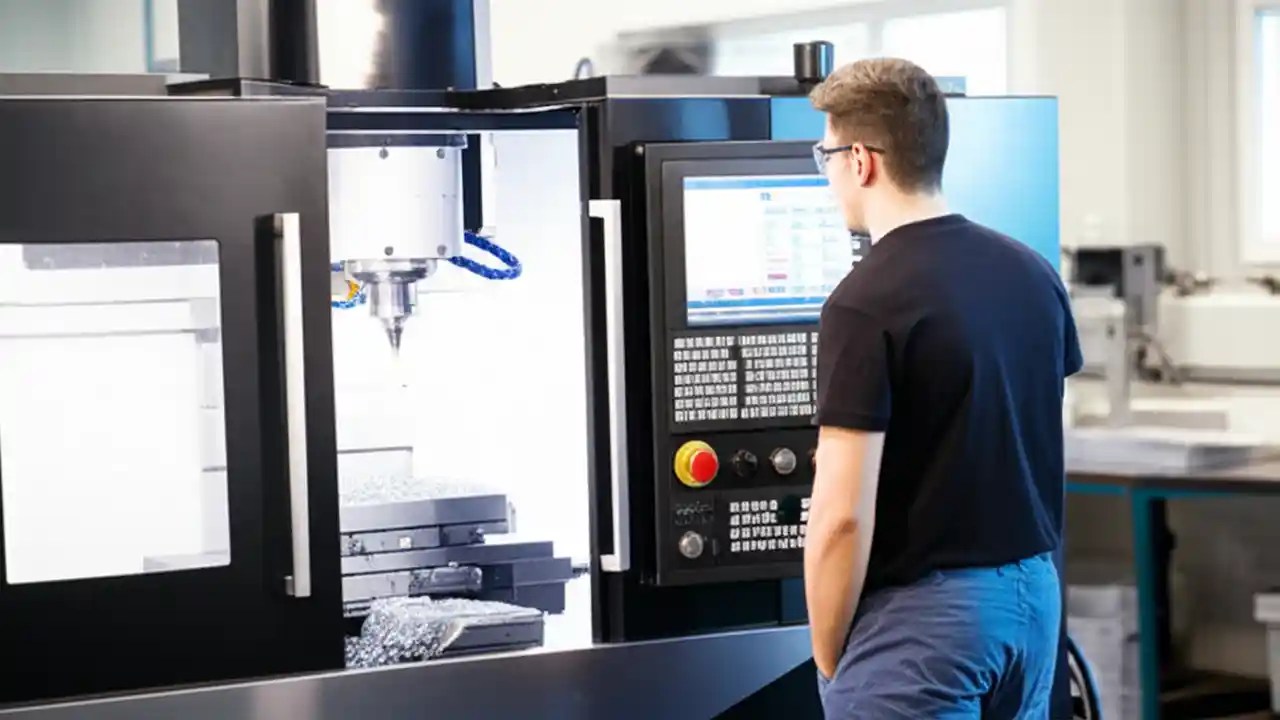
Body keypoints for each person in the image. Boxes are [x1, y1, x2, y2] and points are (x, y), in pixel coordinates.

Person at [802, 57, 1083, 719]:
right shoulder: (1030, 272)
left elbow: (841, 517)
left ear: (861, 161)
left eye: (826, 157)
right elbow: (1026, 435)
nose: (828, 177)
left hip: (928, 626)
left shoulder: (863, 302)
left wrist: (830, 658)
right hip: (1033, 602)